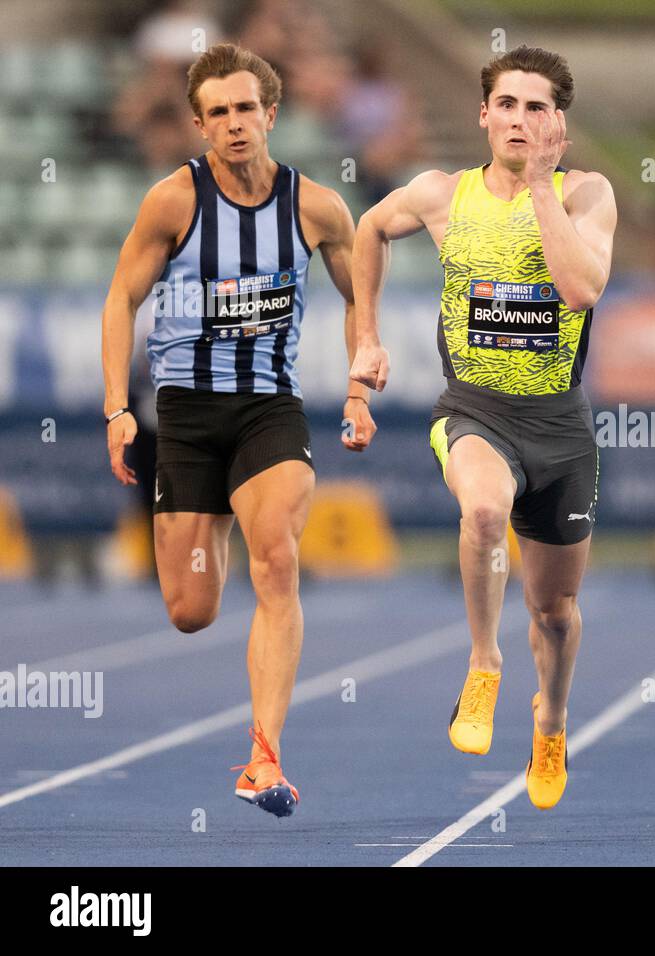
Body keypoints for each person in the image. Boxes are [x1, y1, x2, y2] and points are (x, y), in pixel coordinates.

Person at [101, 43, 374, 816]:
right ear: (199, 124)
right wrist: (117, 408)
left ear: (271, 114)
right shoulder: (172, 203)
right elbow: (120, 300)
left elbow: (361, 299)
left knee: (278, 562)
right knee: (191, 610)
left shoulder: (317, 207)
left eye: (245, 107)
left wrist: (358, 387)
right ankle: (212, 513)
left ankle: (265, 758)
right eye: (217, 112)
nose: (233, 123)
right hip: (185, 415)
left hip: (268, 409)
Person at [348, 46, 617, 810]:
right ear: (483, 114)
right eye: (507, 104)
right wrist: (366, 336)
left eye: (537, 108)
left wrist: (538, 189)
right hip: (476, 410)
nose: (520, 120)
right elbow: (367, 231)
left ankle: (552, 720)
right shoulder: (441, 194)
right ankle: (483, 663)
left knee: (555, 613)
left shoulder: (586, 194)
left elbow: (578, 290)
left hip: (560, 427)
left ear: (557, 121)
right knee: (484, 512)